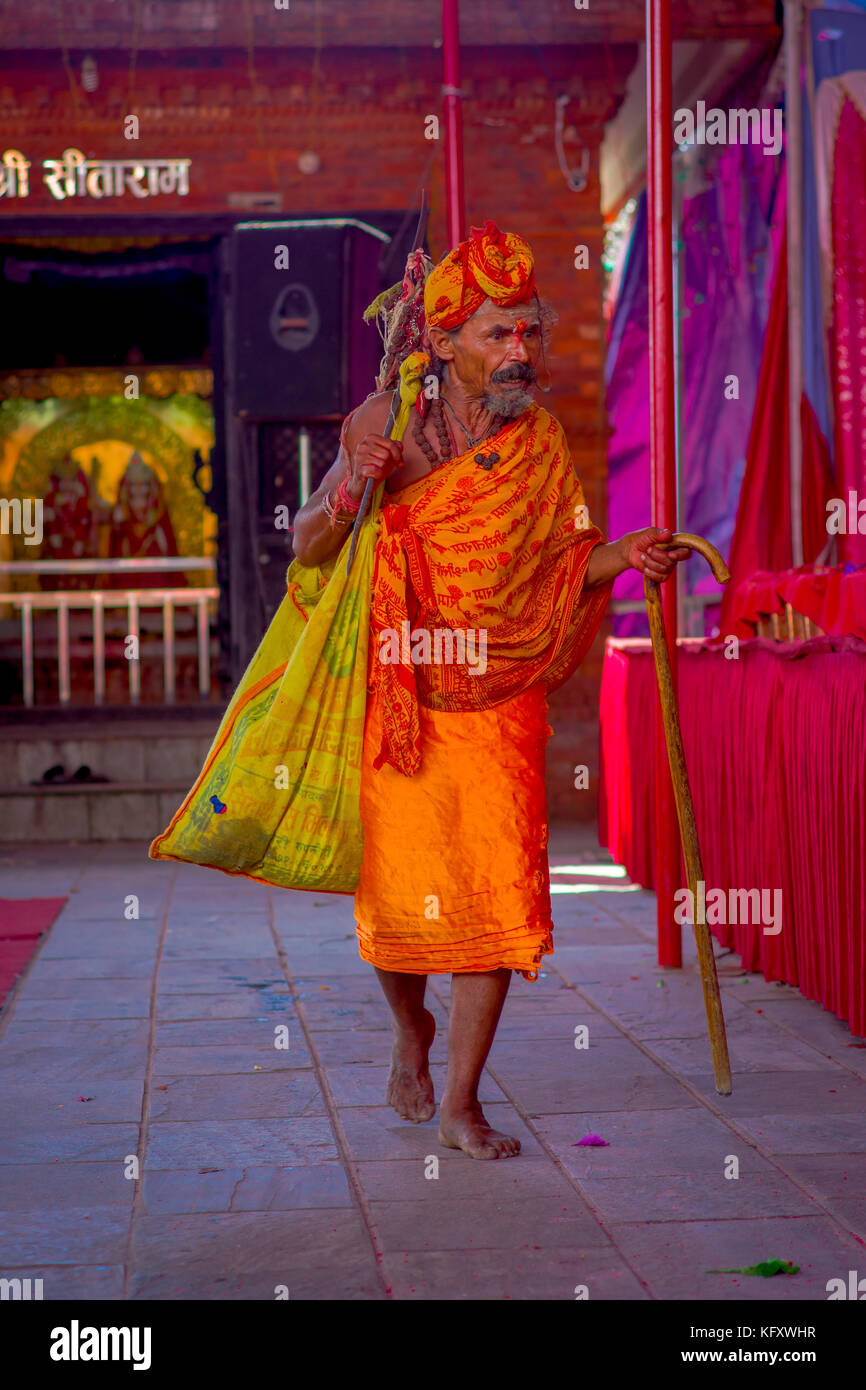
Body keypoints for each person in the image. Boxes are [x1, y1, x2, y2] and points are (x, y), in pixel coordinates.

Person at [295, 222, 689, 1161]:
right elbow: (306, 543)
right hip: (402, 700)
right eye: (497, 334)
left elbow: (564, 561)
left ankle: (462, 1103)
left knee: (501, 908)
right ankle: (411, 1031)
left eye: (528, 334)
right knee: (397, 913)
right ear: (445, 343)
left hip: (500, 702)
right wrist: (357, 487)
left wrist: (623, 556)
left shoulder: (542, 444)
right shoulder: (381, 422)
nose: (520, 353)